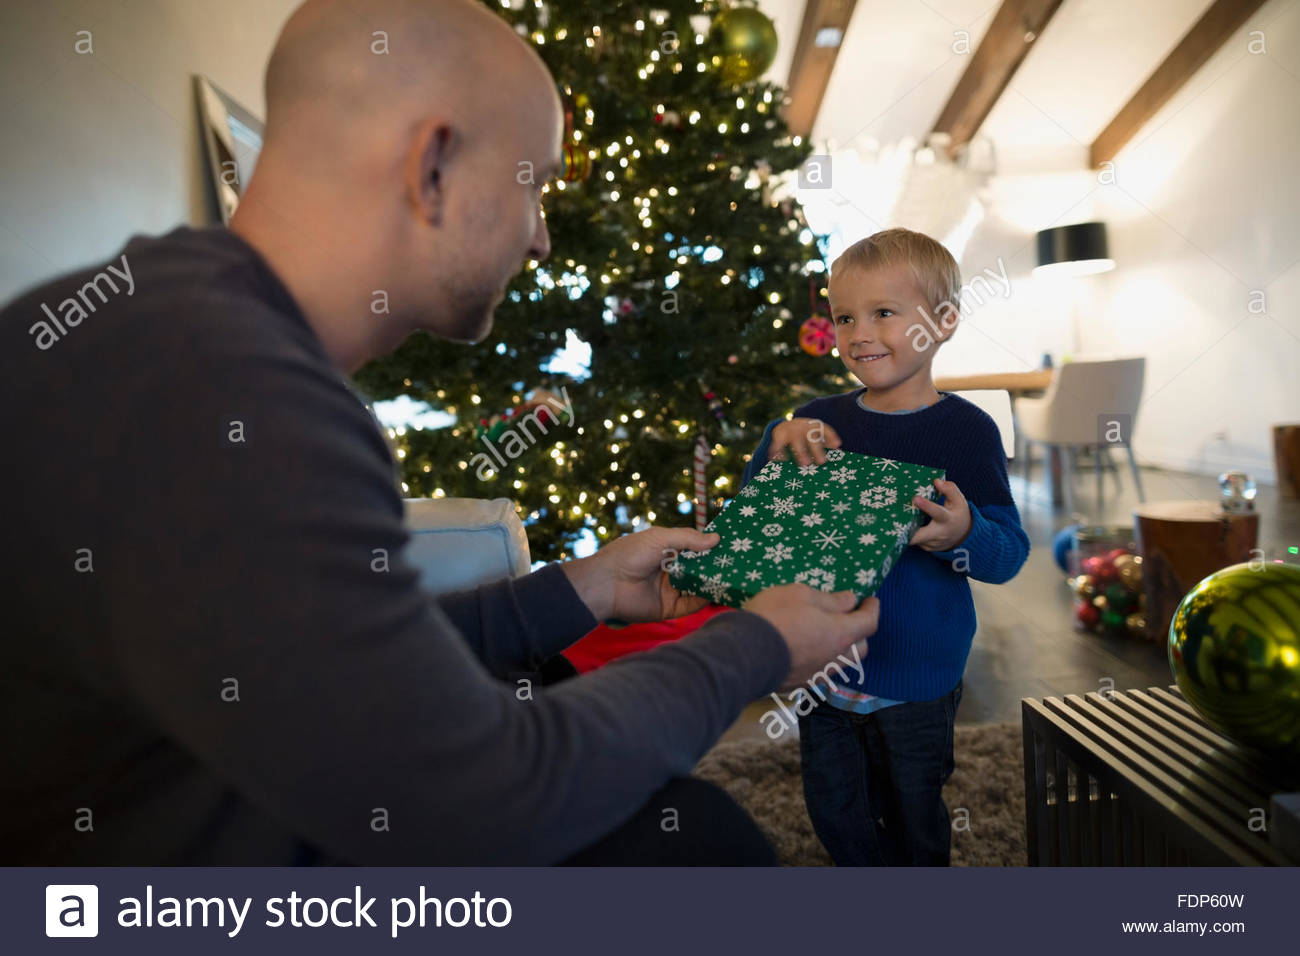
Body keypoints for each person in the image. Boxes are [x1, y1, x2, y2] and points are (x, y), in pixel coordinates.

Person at [0, 0, 879, 865]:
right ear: (433, 166)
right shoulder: (221, 387)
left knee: (590, 731)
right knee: (689, 844)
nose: (539, 238)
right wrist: (757, 645)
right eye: (532, 185)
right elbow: (491, 801)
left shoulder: (190, 328)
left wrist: (582, 588)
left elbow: (338, 662)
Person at [742, 228, 1030, 865]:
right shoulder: (819, 418)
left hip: (920, 673)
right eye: (845, 316)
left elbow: (1008, 553)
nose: (858, 333)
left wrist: (964, 535)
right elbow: (759, 508)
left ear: (944, 321)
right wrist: (780, 435)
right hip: (823, 667)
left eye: (884, 313)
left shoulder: (966, 430)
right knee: (835, 805)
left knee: (915, 807)